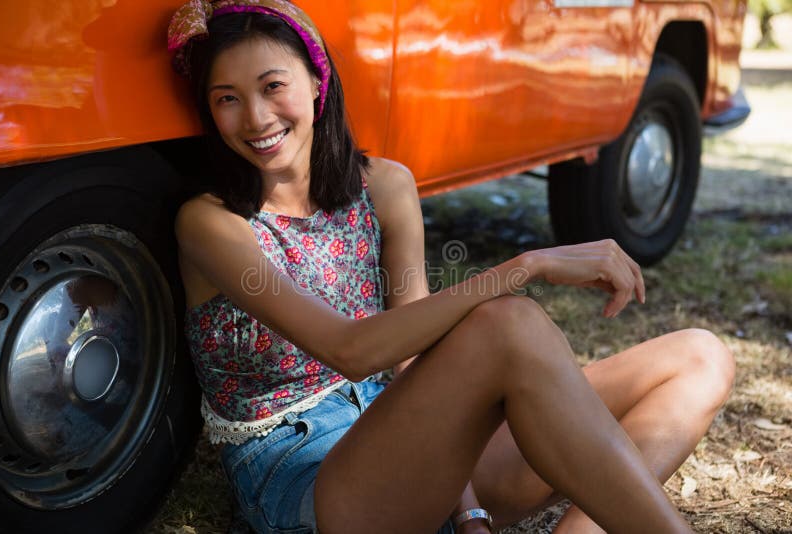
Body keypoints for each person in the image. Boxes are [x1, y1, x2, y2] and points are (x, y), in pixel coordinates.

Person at [167, 1, 736, 532]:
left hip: (425, 455)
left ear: (317, 82)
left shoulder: (384, 187)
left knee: (699, 357)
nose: (257, 116)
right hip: (312, 483)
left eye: (273, 86)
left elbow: (414, 363)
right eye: (227, 98)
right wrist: (528, 265)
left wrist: (468, 509)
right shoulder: (213, 224)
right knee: (509, 325)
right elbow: (352, 349)